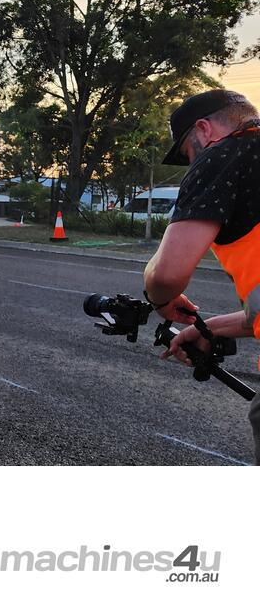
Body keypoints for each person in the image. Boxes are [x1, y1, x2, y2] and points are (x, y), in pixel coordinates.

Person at [142, 89, 260, 460]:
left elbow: (168, 273)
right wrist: (206, 329)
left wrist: (160, 298)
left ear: (205, 130)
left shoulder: (226, 154)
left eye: (189, 154)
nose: (193, 164)